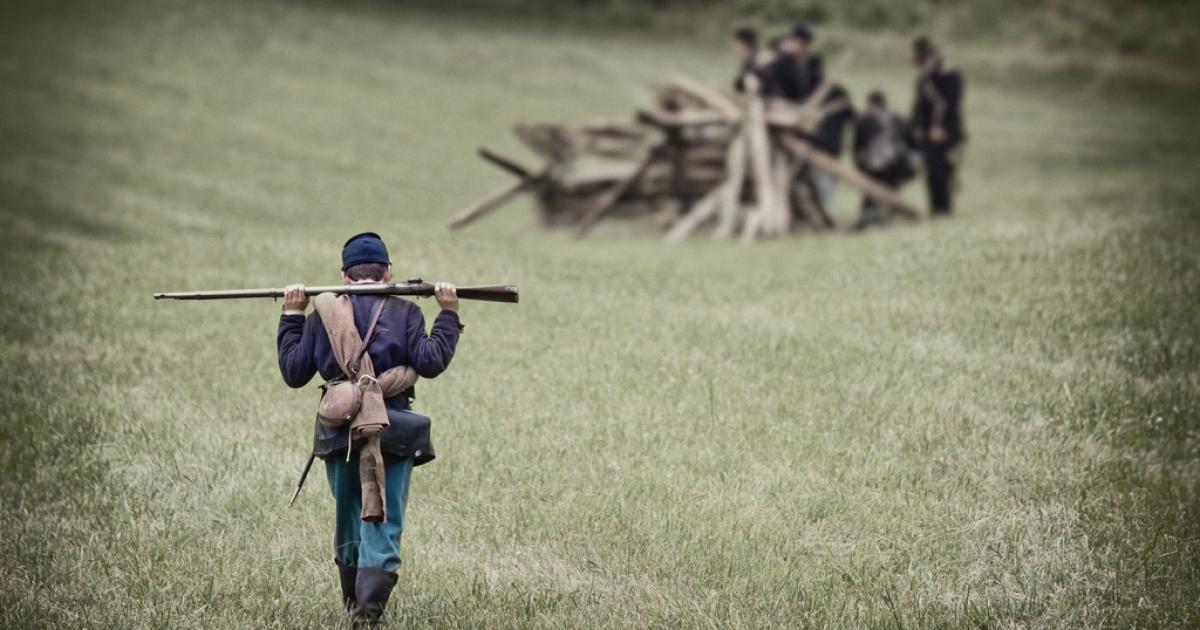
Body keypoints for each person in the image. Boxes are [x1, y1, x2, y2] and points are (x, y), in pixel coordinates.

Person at [277, 232, 463, 625]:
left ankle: (354, 606)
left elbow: (294, 372)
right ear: (388, 272)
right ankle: (366, 615)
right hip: (392, 427)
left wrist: (292, 315)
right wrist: (448, 313)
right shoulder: (406, 313)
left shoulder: (319, 317)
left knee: (348, 514)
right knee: (384, 519)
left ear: (344, 277)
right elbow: (430, 362)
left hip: (339, 432)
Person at [909, 36, 965, 215]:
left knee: (944, 173)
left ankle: (944, 209)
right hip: (928, 134)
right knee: (932, 173)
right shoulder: (924, 80)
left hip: (947, 133)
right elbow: (919, 107)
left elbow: (951, 104)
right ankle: (936, 209)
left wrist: (941, 128)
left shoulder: (950, 77)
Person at [853, 90, 916, 229]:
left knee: (871, 195)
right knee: (891, 191)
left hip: (875, 167)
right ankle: (885, 217)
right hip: (897, 165)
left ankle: (870, 220)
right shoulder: (899, 119)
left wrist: (861, 166)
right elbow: (913, 144)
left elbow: (857, 148)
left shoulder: (864, 121)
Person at [763, 22, 823, 102]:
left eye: (805, 43)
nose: (801, 46)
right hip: (783, 104)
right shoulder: (781, 61)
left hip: (805, 103)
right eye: (797, 41)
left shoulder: (813, 63)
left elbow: (817, 85)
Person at [731, 27, 760, 94]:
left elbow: (753, 88)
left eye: (737, 43)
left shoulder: (753, 63)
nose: (735, 47)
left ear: (744, 43)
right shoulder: (749, 61)